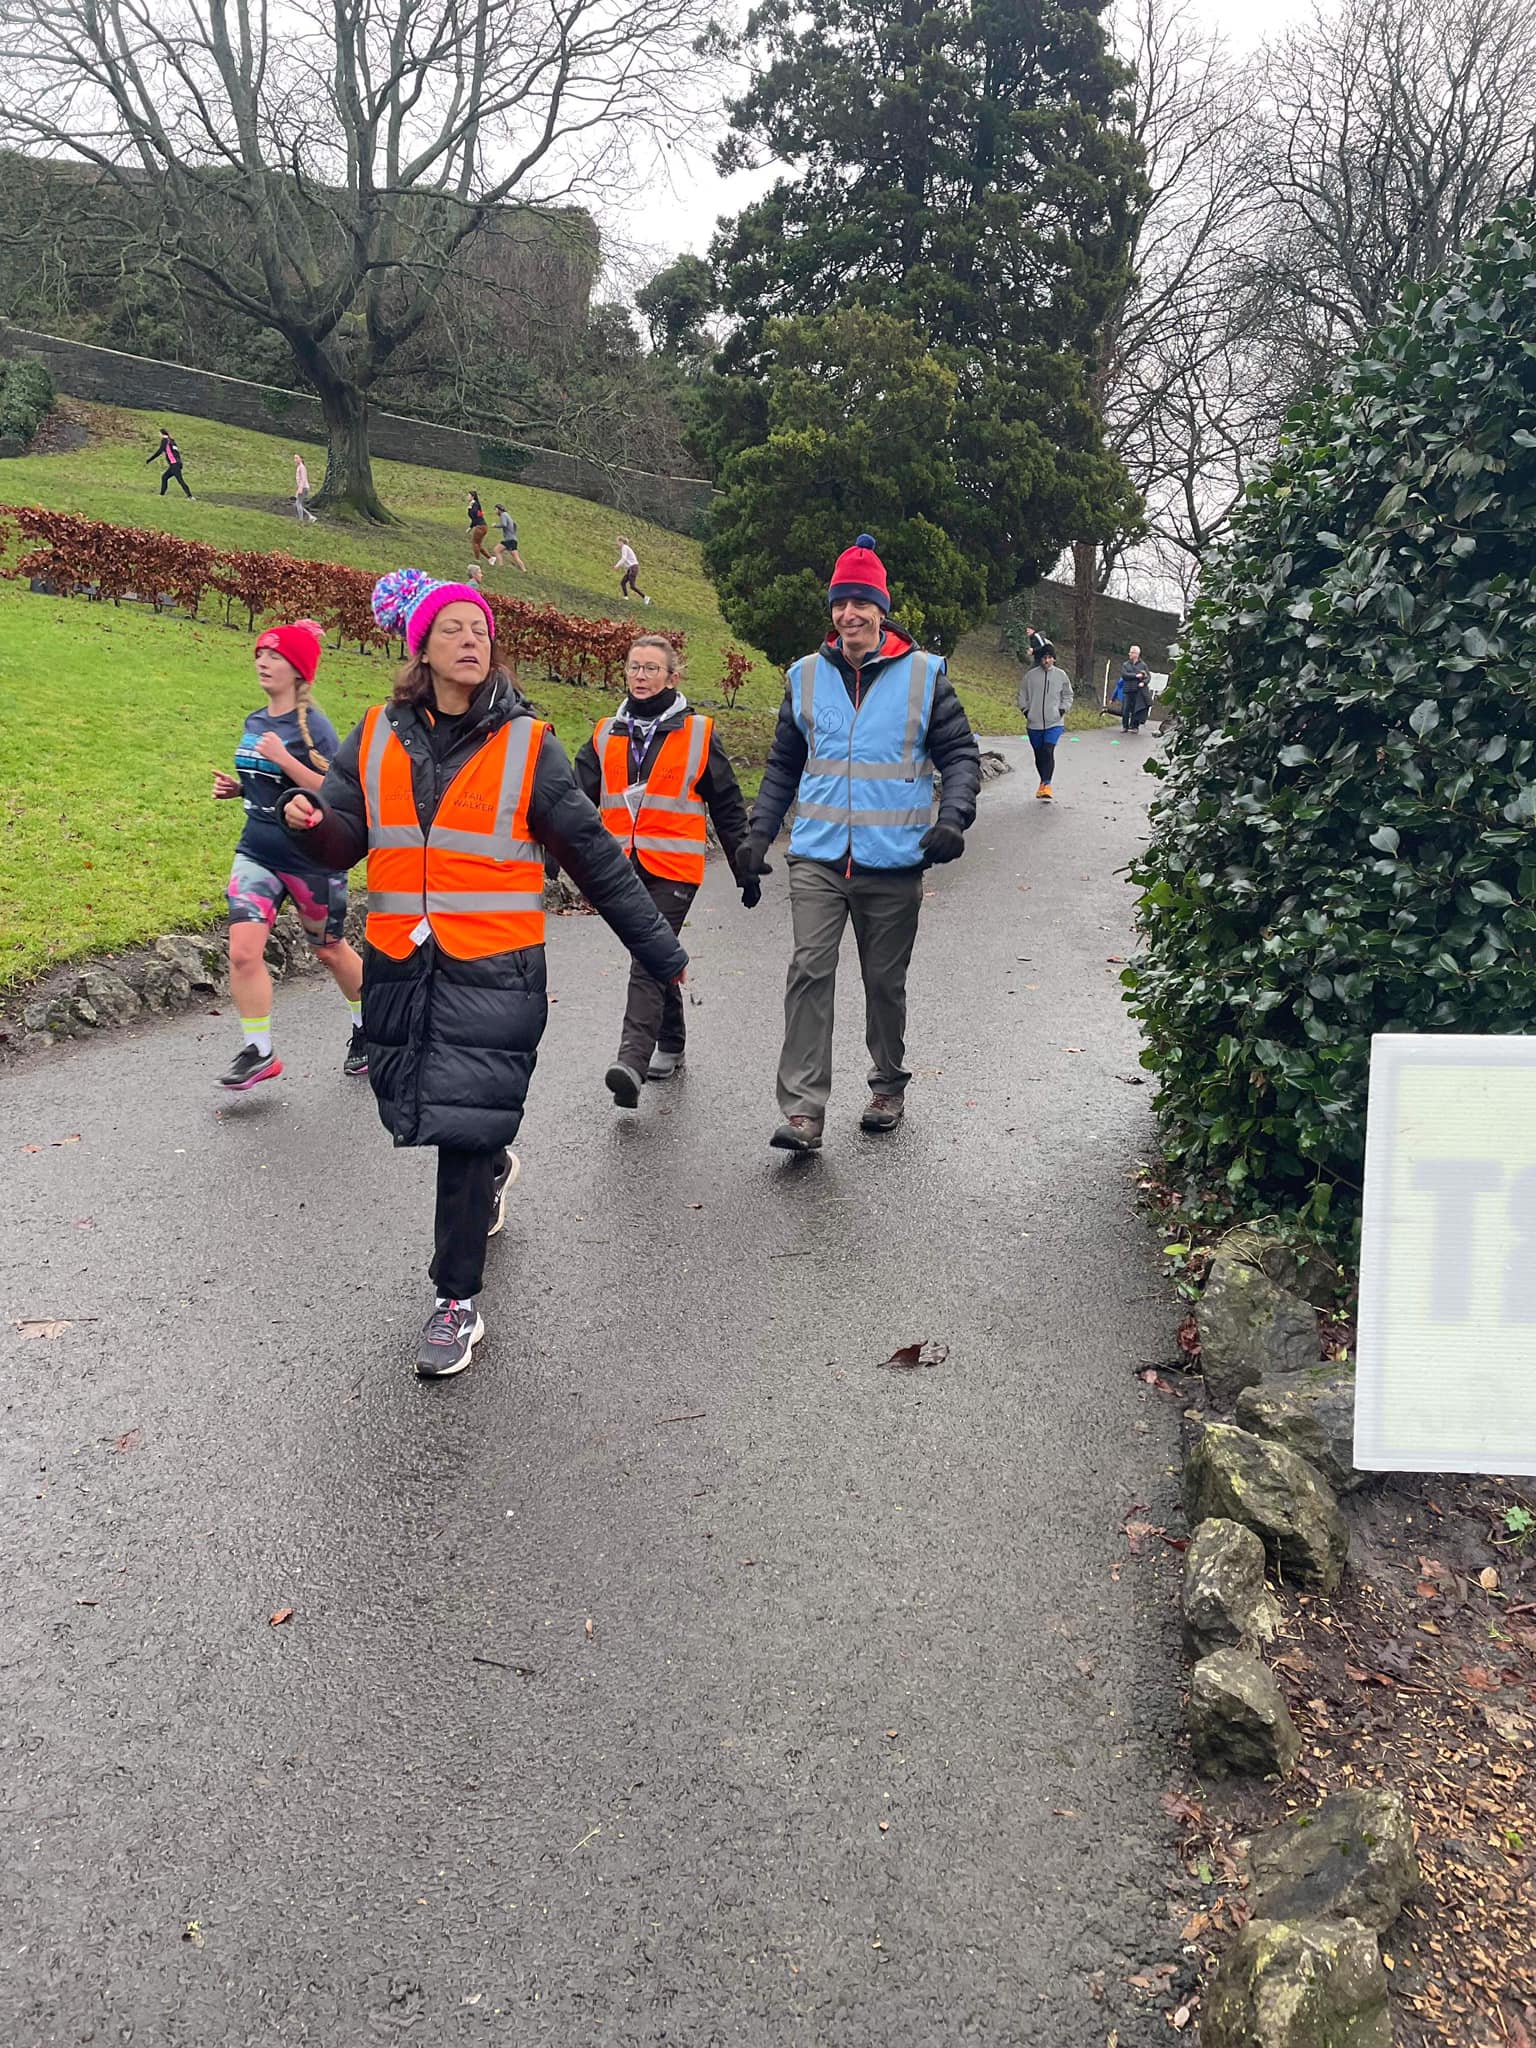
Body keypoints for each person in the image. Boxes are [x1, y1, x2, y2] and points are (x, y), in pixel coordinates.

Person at [279, 569, 688, 1379]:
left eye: (480, 628)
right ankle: (495, 1164)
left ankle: (454, 1302)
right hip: (400, 967)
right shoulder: (375, 733)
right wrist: (312, 824)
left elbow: (593, 856)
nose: (472, 639)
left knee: (463, 1128)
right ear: (421, 647)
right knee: (426, 1111)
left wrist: (660, 951)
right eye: (454, 627)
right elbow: (344, 839)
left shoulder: (527, 745)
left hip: (496, 971)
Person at [736, 535, 981, 1153]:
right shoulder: (806, 677)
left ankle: (887, 1085)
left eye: (860, 603)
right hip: (817, 856)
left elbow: (959, 754)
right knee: (809, 971)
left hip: (895, 861)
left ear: (881, 609)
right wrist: (756, 836)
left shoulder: (925, 677)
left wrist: (953, 818)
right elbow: (783, 767)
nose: (849, 615)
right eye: (840, 603)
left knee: (884, 981)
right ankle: (802, 1112)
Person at [570, 634, 753, 1105]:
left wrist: (743, 866)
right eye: (634, 667)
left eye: (652, 668)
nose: (641, 677)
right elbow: (568, 802)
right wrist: (553, 857)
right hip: (619, 868)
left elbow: (728, 804)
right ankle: (671, 1040)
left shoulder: (698, 732)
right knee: (654, 948)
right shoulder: (604, 732)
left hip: (674, 867)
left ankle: (631, 1059)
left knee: (646, 954)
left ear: (673, 677)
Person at [211, 620, 366, 1090]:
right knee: (242, 953)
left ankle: (370, 1028)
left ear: (298, 670)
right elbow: (267, 786)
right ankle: (259, 1051)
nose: (263, 662)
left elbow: (341, 793)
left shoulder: (313, 727)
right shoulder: (256, 720)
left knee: (329, 950)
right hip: (256, 850)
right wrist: (239, 788)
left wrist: (286, 760)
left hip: (310, 859)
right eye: (260, 654)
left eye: (275, 656)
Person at [1018, 643, 1073, 799]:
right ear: (1040, 659)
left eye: (1049, 658)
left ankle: (1047, 784)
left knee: (1048, 751)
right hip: (1034, 723)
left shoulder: (1061, 675)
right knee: (1039, 754)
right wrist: (1026, 710)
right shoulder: (1030, 676)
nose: (1047, 661)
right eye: (1044, 658)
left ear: (1054, 659)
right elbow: (1022, 694)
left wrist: (1062, 709)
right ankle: (1042, 782)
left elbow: (1068, 695)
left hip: (1054, 722)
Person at [146, 428, 192, 498]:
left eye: (159, 434)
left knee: (180, 480)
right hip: (177, 463)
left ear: (161, 434)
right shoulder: (172, 441)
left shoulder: (165, 441)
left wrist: (149, 460)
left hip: (174, 464)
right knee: (164, 477)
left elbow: (159, 451)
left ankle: (190, 496)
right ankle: (162, 494)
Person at [1118, 645, 1153, 733]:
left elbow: (1148, 677)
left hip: (1138, 691)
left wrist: (1143, 682)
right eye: (1130, 652)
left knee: (1136, 709)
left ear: (1136, 654)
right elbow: (1124, 675)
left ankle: (1134, 727)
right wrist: (1136, 676)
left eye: (1131, 652)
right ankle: (1124, 726)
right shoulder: (1125, 664)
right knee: (1125, 709)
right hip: (1128, 689)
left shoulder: (1143, 665)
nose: (1129, 654)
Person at [615, 536, 650, 606]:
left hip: (633, 568)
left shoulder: (624, 547)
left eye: (618, 542)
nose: (617, 544)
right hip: (631, 568)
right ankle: (626, 597)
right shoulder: (626, 548)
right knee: (623, 582)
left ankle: (645, 597)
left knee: (632, 586)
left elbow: (624, 558)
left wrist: (617, 565)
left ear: (621, 542)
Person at [492, 504, 527, 572]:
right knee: (516, 557)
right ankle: (524, 570)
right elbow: (514, 524)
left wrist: (495, 525)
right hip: (512, 539)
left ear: (499, 510)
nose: (495, 512)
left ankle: (501, 567)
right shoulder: (507, 515)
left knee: (497, 550)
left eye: (495, 510)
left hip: (509, 540)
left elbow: (504, 524)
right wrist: (513, 533)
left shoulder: (503, 515)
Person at [467, 492, 494, 572]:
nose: (467, 497)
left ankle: (477, 560)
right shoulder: (475, 505)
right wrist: (470, 527)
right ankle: (490, 558)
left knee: (475, 543)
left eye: (468, 495)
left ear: (472, 497)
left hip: (480, 527)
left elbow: (475, 516)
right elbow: (476, 517)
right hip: (482, 526)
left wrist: (470, 508)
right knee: (478, 544)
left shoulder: (474, 505)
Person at [293, 451, 318, 524]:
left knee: (298, 503)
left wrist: (300, 489)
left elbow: (303, 479)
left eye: (297, 458)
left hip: (304, 488)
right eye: (294, 458)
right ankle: (310, 517)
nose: (295, 460)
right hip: (302, 487)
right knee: (298, 503)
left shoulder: (302, 467)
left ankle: (302, 519)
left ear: (301, 459)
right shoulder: (299, 467)